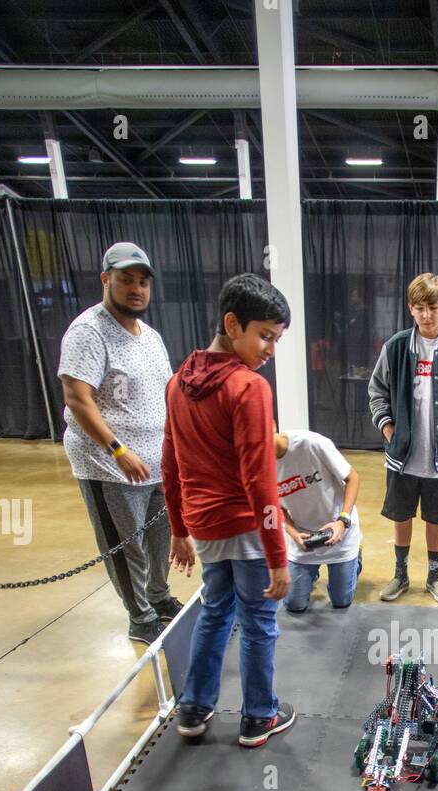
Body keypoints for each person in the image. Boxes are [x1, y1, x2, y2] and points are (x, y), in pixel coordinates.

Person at [161, 273, 294, 749]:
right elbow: (260, 479)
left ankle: (194, 708)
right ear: (232, 323)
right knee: (259, 623)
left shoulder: (179, 383)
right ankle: (259, 715)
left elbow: (170, 465)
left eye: (276, 340)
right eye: (265, 336)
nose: (269, 350)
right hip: (247, 528)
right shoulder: (248, 387)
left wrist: (179, 529)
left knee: (215, 612)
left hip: (205, 528)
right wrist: (278, 555)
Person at [58, 242, 180, 645]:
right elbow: (77, 397)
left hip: (157, 463)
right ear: (105, 279)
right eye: (126, 279)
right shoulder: (89, 331)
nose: (136, 288)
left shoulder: (151, 337)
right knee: (127, 546)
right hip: (109, 465)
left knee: (159, 538)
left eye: (143, 281)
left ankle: (160, 600)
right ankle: (141, 618)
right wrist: (117, 450)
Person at [368, 272, 438, 605]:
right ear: (410, 308)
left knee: (436, 518)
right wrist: (389, 428)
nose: (426, 314)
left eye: (433, 306)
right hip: (402, 454)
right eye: (419, 308)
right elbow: (377, 390)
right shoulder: (397, 346)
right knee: (401, 515)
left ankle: (434, 577)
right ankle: (400, 575)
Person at [276, 430, 362, 613]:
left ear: (271, 425)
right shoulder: (255, 466)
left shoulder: (311, 443)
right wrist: (294, 534)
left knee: (341, 601)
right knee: (293, 604)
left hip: (340, 528)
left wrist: (343, 521)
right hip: (305, 536)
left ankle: (356, 556)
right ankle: (309, 572)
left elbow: (352, 478)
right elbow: (277, 508)